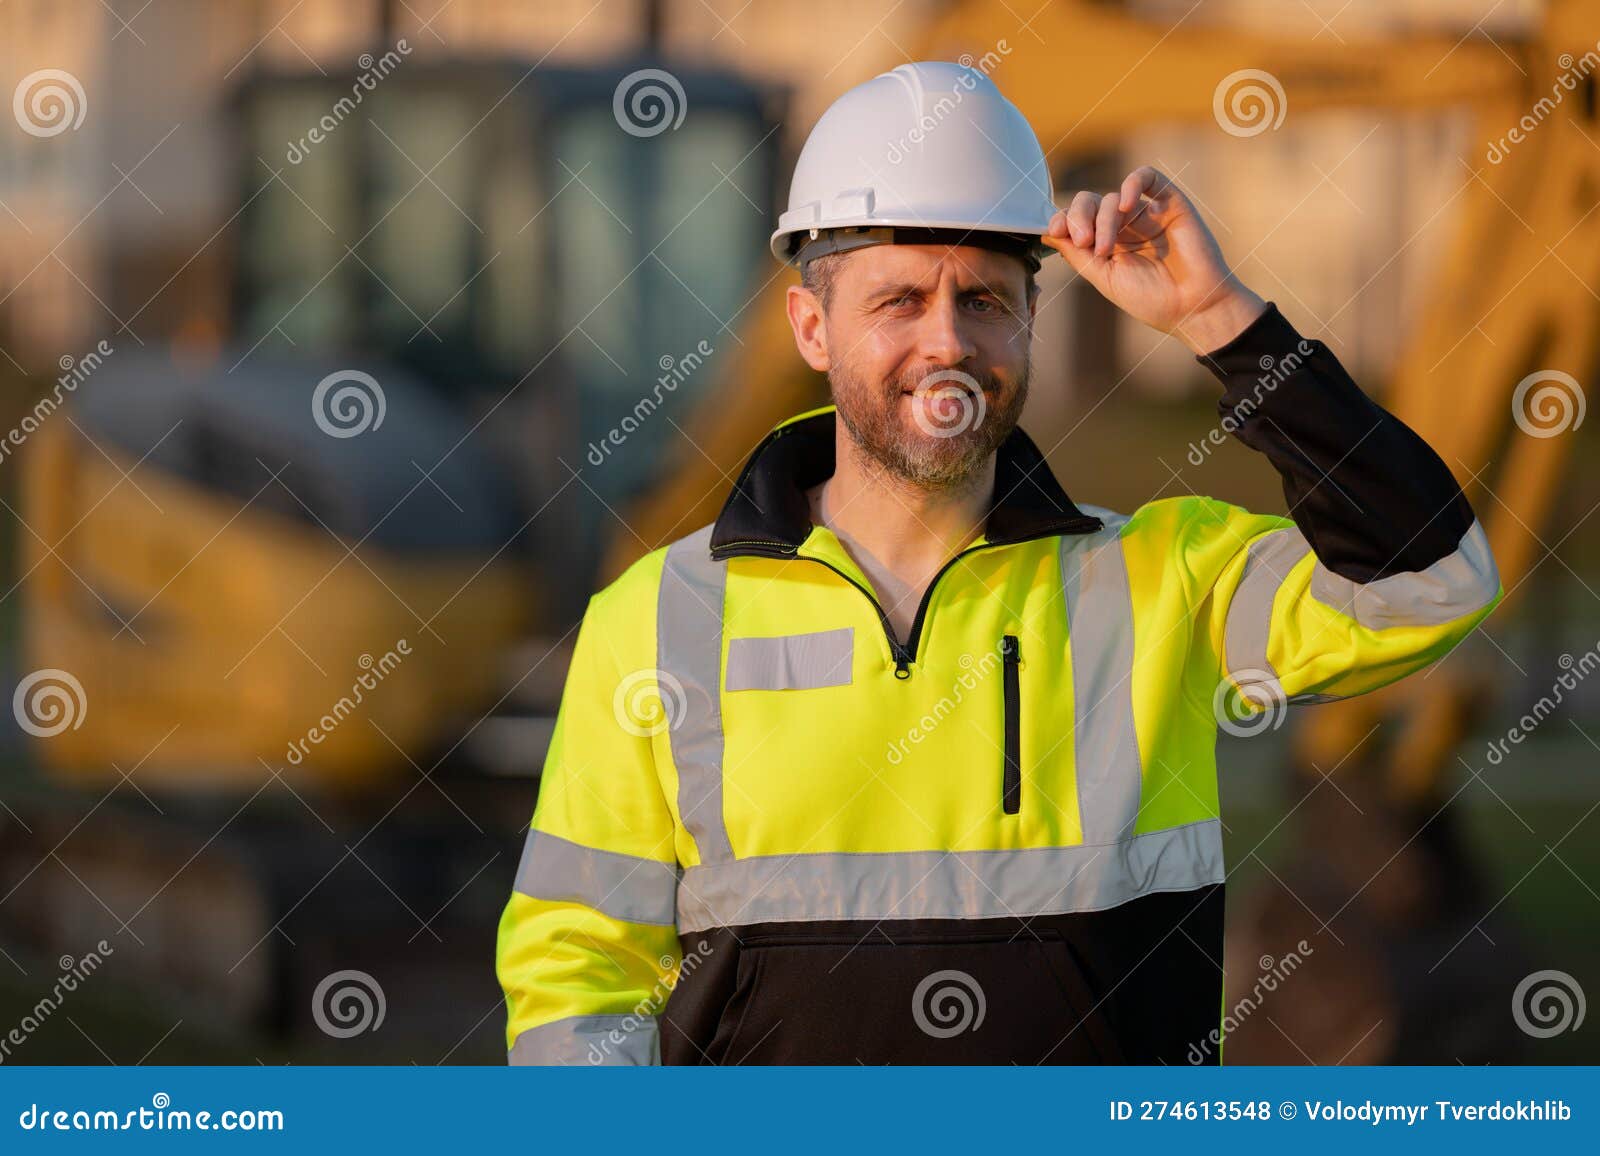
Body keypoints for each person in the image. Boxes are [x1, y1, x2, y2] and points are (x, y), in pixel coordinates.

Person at [496, 61, 1501, 1065]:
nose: (947, 342)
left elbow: (1431, 579)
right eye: (899, 300)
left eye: (982, 299)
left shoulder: (1164, 579)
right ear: (812, 327)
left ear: (1028, 317)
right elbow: (577, 969)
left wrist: (1220, 321)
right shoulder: (659, 616)